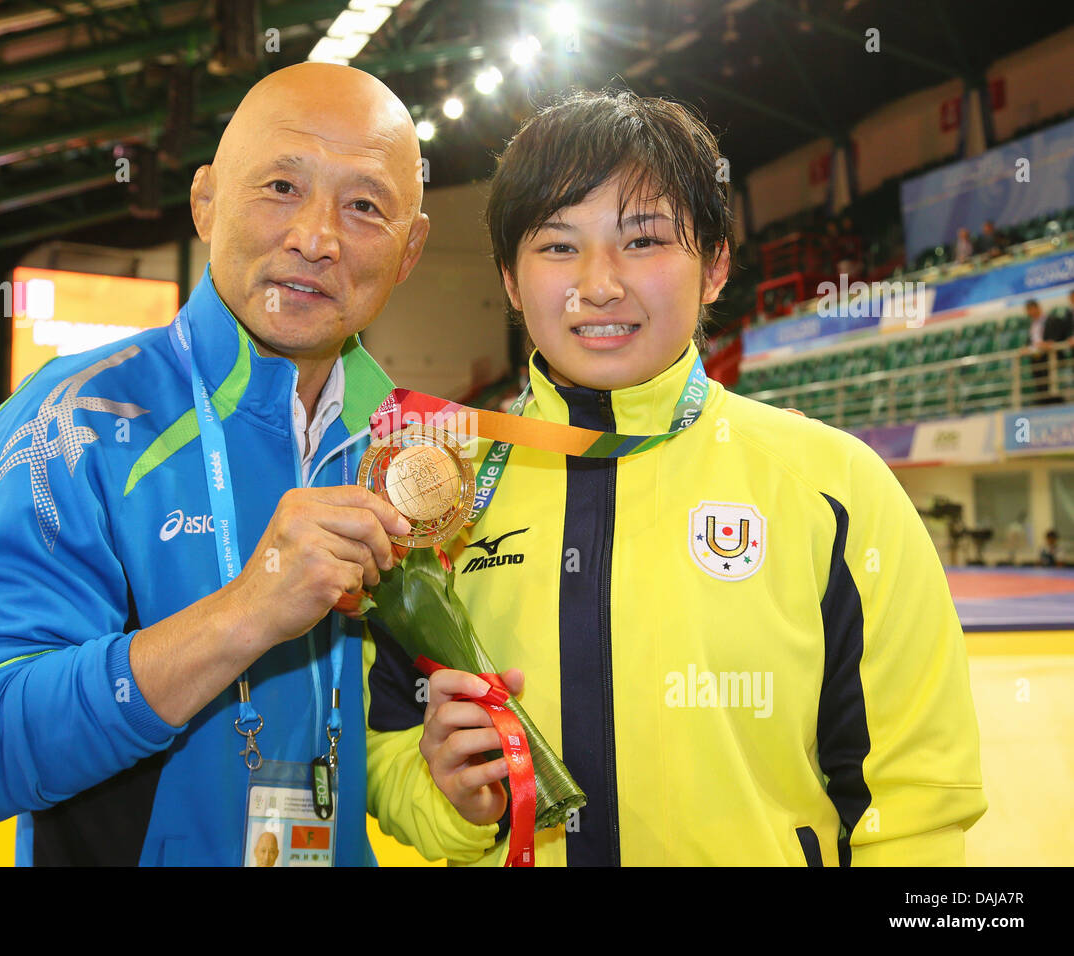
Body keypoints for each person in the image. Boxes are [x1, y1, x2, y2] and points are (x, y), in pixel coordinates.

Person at [364, 89, 986, 866]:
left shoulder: (833, 488)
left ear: (716, 266)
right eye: (558, 246)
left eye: (644, 240)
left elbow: (915, 800)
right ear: (512, 281)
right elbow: (382, 744)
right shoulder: (436, 492)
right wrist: (453, 803)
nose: (598, 284)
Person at [0, 61, 429, 865]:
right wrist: (246, 612)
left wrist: (456, 796)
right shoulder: (73, 421)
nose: (317, 238)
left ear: (409, 250)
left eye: (365, 206)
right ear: (205, 203)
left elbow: (384, 751)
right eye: (281, 187)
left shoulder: (410, 451)